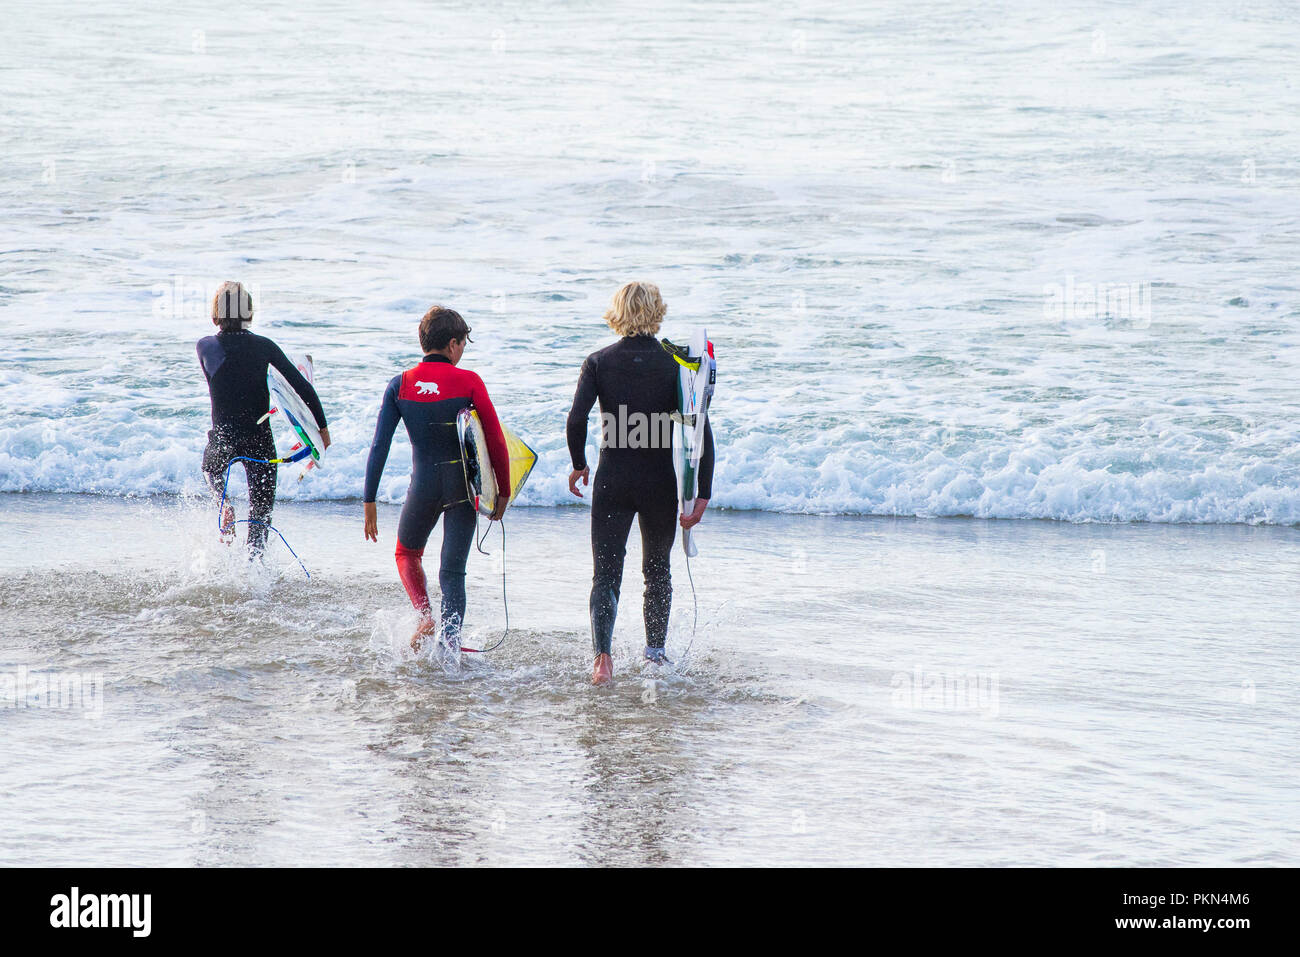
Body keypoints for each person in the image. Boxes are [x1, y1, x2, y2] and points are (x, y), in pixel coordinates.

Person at [566, 281, 714, 685]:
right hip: (657, 482)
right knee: (657, 571)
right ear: (657, 311)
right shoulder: (676, 365)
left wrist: (579, 464)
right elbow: (698, 428)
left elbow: (576, 419)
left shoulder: (597, 361)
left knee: (606, 575)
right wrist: (702, 492)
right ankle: (654, 656)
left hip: (613, 480)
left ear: (617, 312)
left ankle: (602, 660)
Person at [363, 306, 510, 654]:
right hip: (462, 491)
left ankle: (425, 614)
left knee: (406, 553)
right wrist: (502, 490)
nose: (463, 351)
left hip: (423, 487)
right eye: (463, 344)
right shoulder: (470, 381)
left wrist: (369, 500)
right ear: (453, 344)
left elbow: (379, 444)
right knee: (453, 571)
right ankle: (451, 645)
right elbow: (495, 439)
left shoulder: (400, 384)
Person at [197, 281, 330, 553]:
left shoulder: (204, 346)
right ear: (251, 315)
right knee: (260, 513)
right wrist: (322, 432)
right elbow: (302, 388)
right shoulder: (264, 347)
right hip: (258, 439)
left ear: (214, 318)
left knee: (210, 469)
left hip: (223, 436)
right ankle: (255, 569)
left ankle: (224, 506)